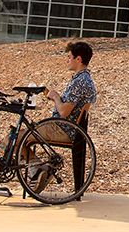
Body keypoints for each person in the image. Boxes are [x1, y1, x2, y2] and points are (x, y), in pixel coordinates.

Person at [26, 41, 96, 192]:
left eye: (69, 57)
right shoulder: (84, 80)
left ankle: (39, 170)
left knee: (16, 138)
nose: (67, 60)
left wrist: (56, 97)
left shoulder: (80, 82)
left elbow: (64, 112)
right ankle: (38, 169)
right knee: (21, 133)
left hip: (63, 129)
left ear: (78, 59)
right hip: (70, 128)